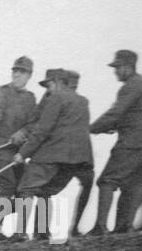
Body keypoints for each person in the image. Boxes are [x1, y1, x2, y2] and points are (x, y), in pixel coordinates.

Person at [87, 49, 142, 236]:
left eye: (117, 67)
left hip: (137, 140)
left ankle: (100, 227)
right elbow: (141, 111)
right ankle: (125, 226)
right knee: (135, 181)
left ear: (127, 67)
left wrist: (91, 128)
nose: (115, 71)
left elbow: (117, 112)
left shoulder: (135, 84)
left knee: (107, 180)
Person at [13, 69, 94, 242]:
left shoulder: (56, 98)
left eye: (48, 85)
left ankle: (20, 233)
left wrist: (23, 153)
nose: (47, 90)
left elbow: (42, 130)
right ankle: (42, 232)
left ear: (57, 81)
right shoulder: (82, 101)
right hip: (79, 159)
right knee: (45, 191)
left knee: (26, 188)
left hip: (53, 153)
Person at [0, 56, 39, 241]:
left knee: (24, 190)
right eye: (15, 70)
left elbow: (33, 123)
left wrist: (23, 132)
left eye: (22, 71)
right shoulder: (1, 93)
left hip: (16, 151)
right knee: (8, 185)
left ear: (29, 75)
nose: (17, 74)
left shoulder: (30, 98)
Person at [59, 70, 97, 237]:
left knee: (45, 191)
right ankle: (74, 227)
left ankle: (42, 231)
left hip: (65, 155)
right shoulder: (83, 101)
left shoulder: (59, 99)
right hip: (82, 156)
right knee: (87, 183)